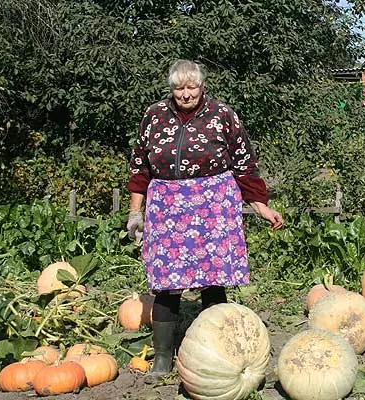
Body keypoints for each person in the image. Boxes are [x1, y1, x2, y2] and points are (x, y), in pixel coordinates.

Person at [126, 59, 282, 377]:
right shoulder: (154, 115)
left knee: (213, 280)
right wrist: (134, 212)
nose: (185, 94)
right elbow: (139, 165)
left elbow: (244, 162)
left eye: (191, 87)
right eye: (179, 88)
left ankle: (217, 352)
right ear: (171, 89)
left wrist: (260, 205)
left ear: (202, 86)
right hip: (167, 205)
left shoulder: (223, 115)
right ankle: (163, 359)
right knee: (166, 283)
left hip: (213, 204)